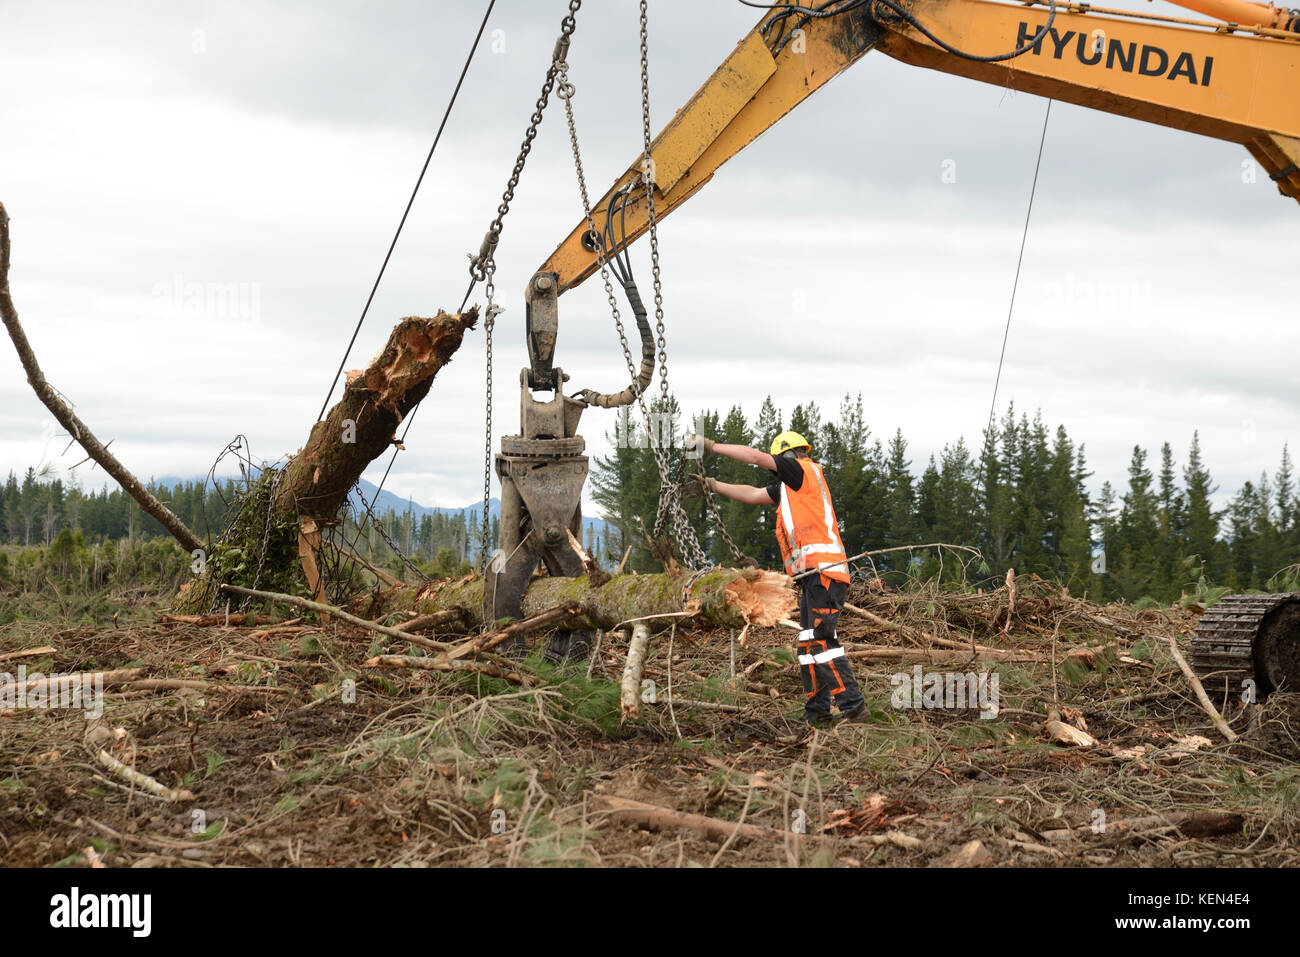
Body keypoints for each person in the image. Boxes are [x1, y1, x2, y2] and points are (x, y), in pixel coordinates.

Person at [685, 430, 866, 727]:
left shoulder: (801, 470)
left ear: (788, 456)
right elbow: (754, 494)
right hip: (812, 578)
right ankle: (818, 716)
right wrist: (713, 486)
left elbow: (756, 458)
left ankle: (855, 709)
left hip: (824, 573)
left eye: (778, 461)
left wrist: (713, 447)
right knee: (808, 647)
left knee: (821, 641)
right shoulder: (791, 488)